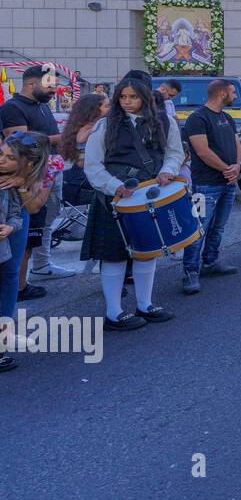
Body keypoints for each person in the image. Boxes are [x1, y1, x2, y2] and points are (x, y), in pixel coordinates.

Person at [81, 76, 183, 330]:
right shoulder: (105, 126)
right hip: (113, 198)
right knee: (114, 256)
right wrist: (113, 186)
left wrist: (168, 171)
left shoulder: (166, 123)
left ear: (145, 98)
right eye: (122, 97)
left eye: (133, 97)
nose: (127, 102)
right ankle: (114, 313)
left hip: (149, 195)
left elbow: (174, 154)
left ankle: (145, 304)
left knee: (146, 252)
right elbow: (93, 166)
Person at [0, 65, 73, 285]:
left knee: (46, 223)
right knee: (29, 228)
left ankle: (42, 267)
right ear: (32, 84)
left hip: (50, 171)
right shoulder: (13, 108)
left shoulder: (42, 105)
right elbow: (20, 144)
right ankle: (20, 285)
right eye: (50, 85)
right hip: (30, 176)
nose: (54, 90)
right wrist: (64, 137)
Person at [180, 79, 241, 294]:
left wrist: (238, 166)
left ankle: (210, 262)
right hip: (204, 185)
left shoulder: (227, 117)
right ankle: (190, 271)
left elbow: (237, 145)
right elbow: (202, 151)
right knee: (197, 229)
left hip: (228, 183)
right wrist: (228, 169)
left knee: (219, 226)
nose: (235, 96)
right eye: (233, 92)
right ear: (222, 93)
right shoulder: (197, 118)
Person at [0, 132, 52, 369]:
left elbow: (32, 207)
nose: (2, 159)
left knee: (10, 274)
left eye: (10, 157)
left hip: (16, 218)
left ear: (28, 163)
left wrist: (22, 185)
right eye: (2, 153)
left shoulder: (47, 169)